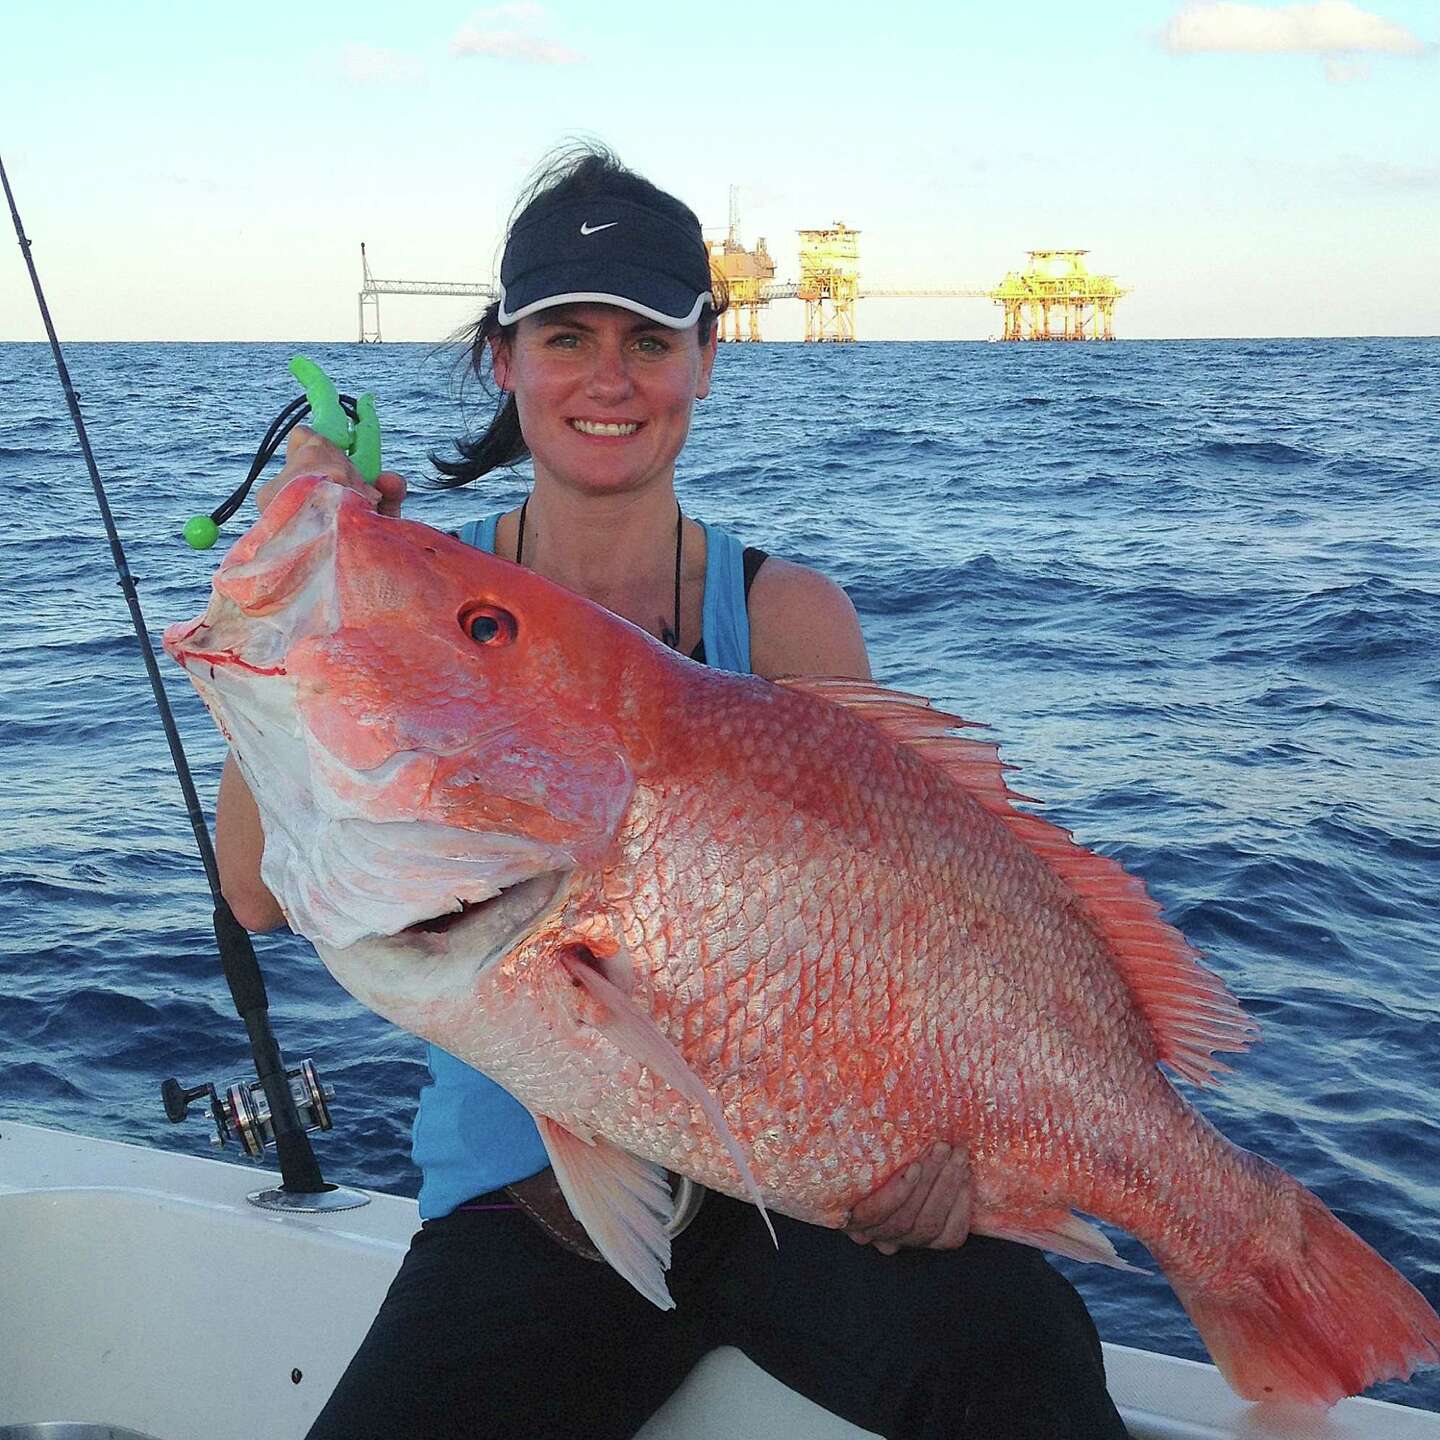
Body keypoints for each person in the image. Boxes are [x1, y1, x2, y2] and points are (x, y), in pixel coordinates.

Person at [216, 145, 1128, 1439]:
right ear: (504, 360)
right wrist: (316, 597)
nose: (608, 377)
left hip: (800, 1198)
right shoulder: (406, 600)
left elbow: (913, 935)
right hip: (523, 1214)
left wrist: (941, 1152)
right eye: (566, 335)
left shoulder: (789, 618)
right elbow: (256, 891)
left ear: (708, 360)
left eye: (650, 339)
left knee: (1022, 1353)